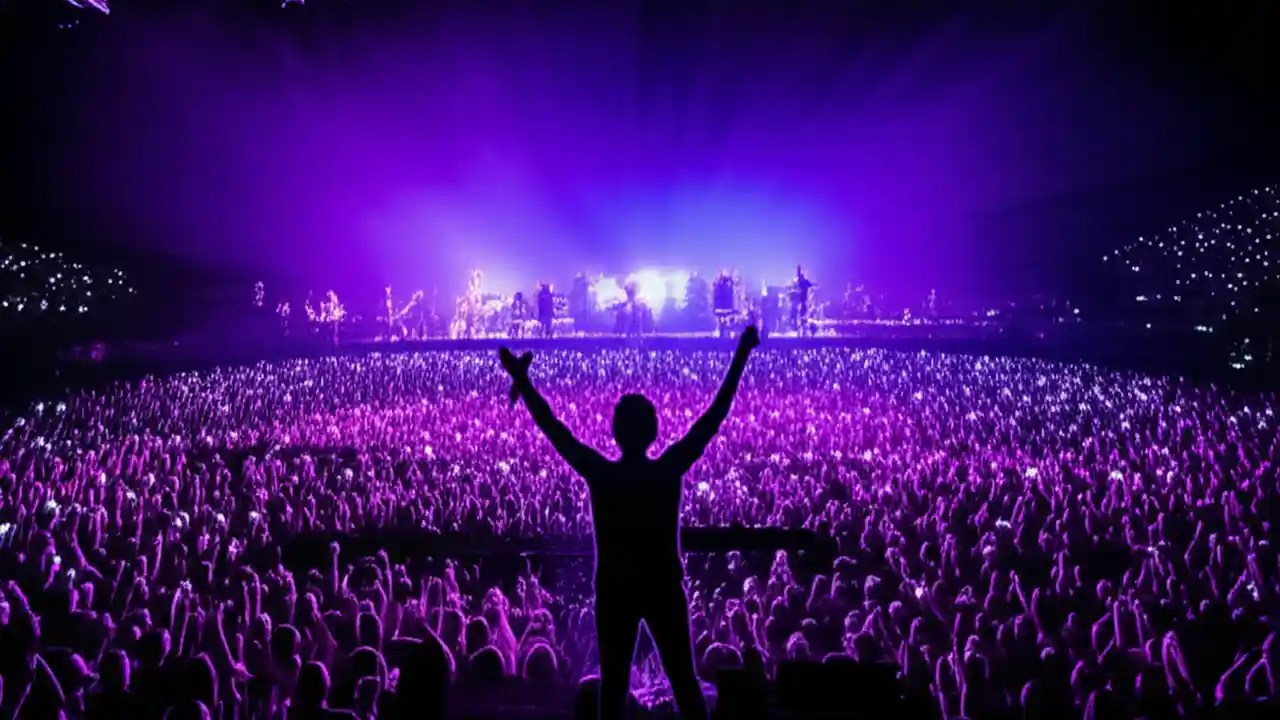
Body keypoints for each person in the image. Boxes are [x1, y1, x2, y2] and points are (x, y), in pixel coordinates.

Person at [498, 326, 761, 720]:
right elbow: (713, 416)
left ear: (615, 431)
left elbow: (556, 431)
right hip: (662, 586)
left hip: (616, 588)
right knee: (685, 685)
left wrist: (523, 380)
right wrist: (741, 354)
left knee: (614, 690)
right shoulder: (668, 470)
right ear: (654, 430)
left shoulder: (602, 474)